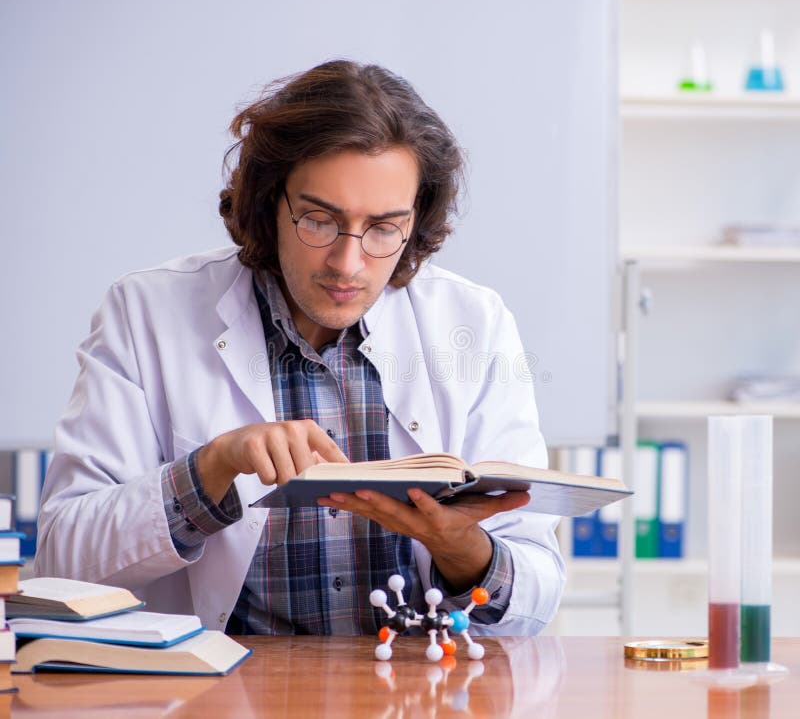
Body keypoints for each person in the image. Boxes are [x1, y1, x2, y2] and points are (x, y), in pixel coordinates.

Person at [35, 60, 564, 636]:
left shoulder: (474, 322)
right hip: (223, 692)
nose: (348, 262)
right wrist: (211, 470)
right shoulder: (145, 313)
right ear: (269, 203)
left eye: (384, 228)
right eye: (318, 220)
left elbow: (534, 599)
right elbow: (63, 562)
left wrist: (461, 548)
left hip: (415, 694)